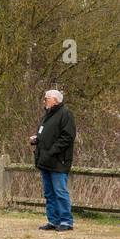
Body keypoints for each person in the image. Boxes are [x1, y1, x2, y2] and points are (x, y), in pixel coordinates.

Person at [29, 89, 76, 231]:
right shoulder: (47, 115)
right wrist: (37, 139)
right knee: (49, 193)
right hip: (45, 161)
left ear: (55, 100)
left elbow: (67, 137)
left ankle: (66, 221)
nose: (45, 101)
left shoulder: (65, 114)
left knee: (60, 192)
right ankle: (53, 220)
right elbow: (45, 133)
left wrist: (51, 151)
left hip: (58, 161)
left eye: (47, 98)